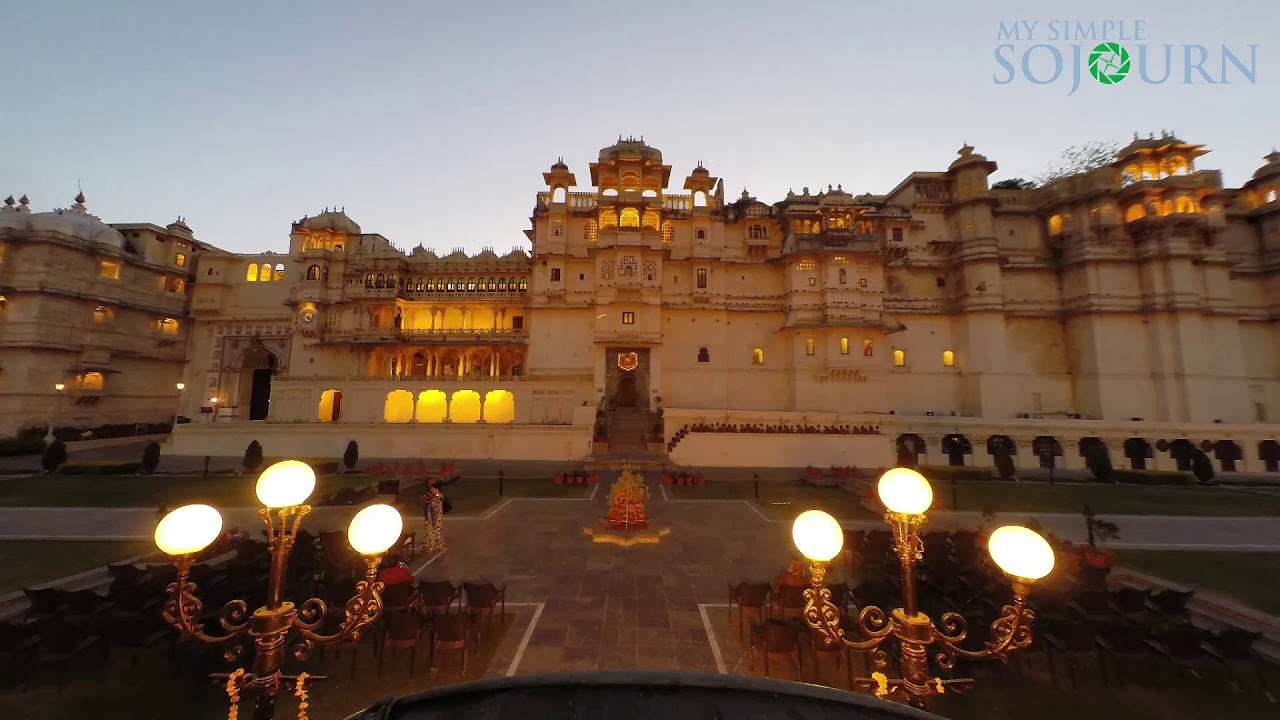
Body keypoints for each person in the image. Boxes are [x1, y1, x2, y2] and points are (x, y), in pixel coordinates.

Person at [421, 481, 449, 554]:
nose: (431, 490)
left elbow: (433, 510)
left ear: (437, 489)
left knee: (432, 533)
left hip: (434, 518)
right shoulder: (439, 496)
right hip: (437, 518)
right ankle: (437, 546)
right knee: (437, 532)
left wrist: (432, 520)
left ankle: (431, 547)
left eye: (433, 489)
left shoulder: (437, 498)